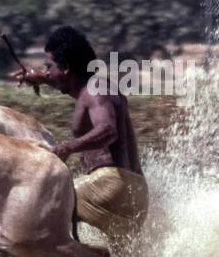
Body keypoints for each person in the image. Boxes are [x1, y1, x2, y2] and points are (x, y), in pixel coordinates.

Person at [13, 26, 148, 245]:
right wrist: (39, 77)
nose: (47, 72)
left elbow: (108, 131)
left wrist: (68, 147)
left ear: (66, 68)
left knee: (32, 205)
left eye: (49, 67)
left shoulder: (94, 90)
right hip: (136, 193)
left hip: (110, 185)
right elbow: (63, 80)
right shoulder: (99, 87)